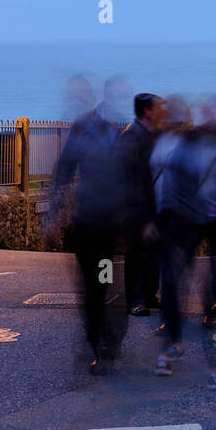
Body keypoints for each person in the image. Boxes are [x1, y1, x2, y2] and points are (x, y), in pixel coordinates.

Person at [151, 94, 216, 387]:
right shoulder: (198, 145)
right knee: (176, 281)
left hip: (186, 222)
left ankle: (179, 343)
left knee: (176, 282)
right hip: (184, 222)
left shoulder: (178, 145)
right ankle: (185, 343)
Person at [52, 78, 125, 375]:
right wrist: (55, 209)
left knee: (105, 284)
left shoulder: (122, 131)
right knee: (92, 288)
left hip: (110, 226)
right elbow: (65, 169)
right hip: (87, 224)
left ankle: (109, 340)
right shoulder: (84, 127)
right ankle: (98, 345)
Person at [113, 92, 164, 316]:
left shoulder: (151, 135)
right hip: (135, 206)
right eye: (158, 108)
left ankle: (150, 294)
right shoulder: (133, 136)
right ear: (147, 111)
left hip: (152, 203)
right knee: (137, 254)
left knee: (152, 252)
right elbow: (129, 177)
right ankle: (134, 300)